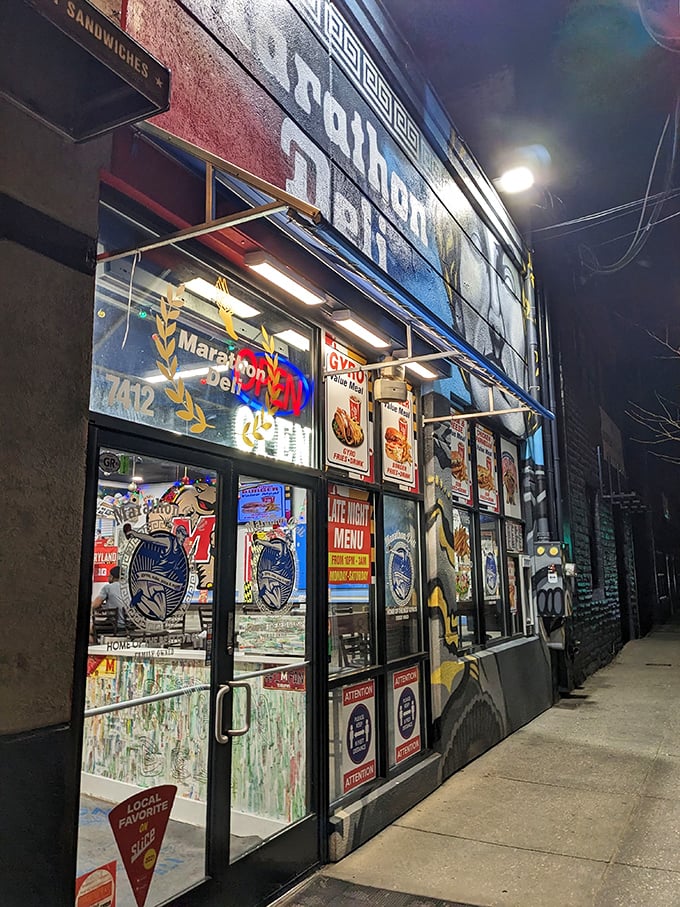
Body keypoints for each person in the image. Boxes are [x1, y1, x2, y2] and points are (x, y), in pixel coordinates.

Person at [91, 566, 125, 641]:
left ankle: (95, 647)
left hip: (114, 625)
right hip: (128, 626)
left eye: (109, 576)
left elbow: (95, 605)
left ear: (112, 577)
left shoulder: (108, 587)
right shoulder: (128, 588)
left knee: (89, 629)